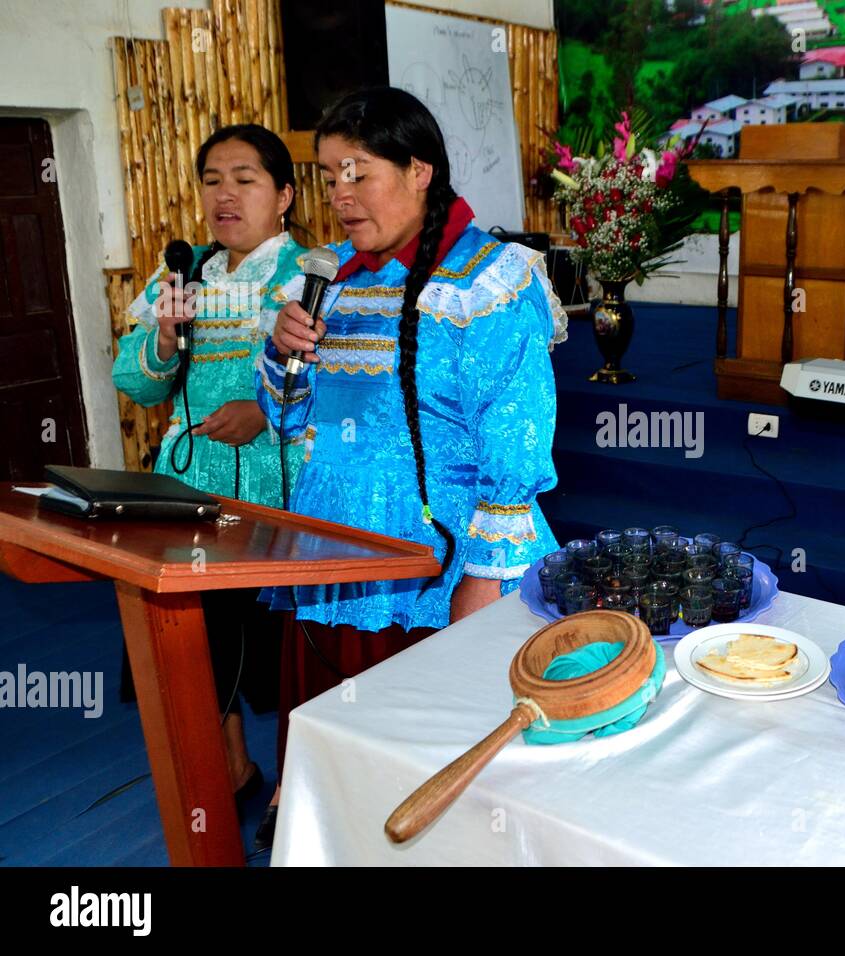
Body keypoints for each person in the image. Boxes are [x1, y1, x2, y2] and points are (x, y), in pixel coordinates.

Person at [255, 87, 567, 848]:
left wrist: (484, 585)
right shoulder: (327, 277)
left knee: (438, 787)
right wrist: (284, 354)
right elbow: (287, 422)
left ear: (420, 169)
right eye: (329, 177)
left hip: (439, 568)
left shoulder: (487, 283)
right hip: (331, 561)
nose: (340, 195)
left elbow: (515, 445)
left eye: (357, 172)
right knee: (343, 769)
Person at [112, 124, 311, 810]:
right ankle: (231, 768)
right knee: (198, 634)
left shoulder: (311, 273)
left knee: (283, 642)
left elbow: (348, 383)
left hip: (279, 478)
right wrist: (164, 337)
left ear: (283, 195)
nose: (224, 195)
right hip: (189, 480)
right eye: (212, 180)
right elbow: (135, 384)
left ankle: (296, 783)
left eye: (244, 179)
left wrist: (264, 410)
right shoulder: (184, 272)